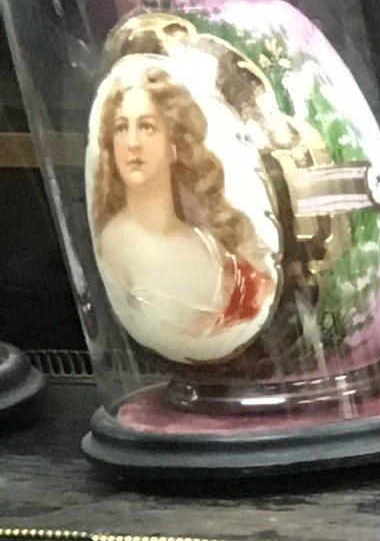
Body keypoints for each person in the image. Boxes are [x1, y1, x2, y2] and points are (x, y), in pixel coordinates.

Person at [86, 60, 274, 366]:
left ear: (174, 145)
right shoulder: (116, 243)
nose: (132, 143)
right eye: (121, 128)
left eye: (147, 127)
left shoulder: (207, 243)